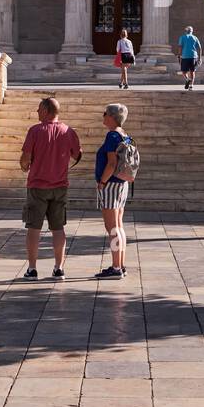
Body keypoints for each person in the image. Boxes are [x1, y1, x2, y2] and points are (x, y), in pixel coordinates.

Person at [19, 98, 81, 280]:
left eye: (39, 109)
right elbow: (77, 154)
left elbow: (26, 156)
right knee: (58, 228)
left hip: (37, 186)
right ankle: (58, 268)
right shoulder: (68, 131)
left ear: (46, 111)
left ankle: (32, 269)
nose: (37, 112)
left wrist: (24, 166)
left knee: (33, 228)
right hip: (60, 186)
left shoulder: (35, 131)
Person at [95, 103, 131, 278]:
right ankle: (120, 264)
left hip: (111, 184)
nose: (103, 116)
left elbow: (111, 163)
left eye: (104, 113)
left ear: (110, 116)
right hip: (122, 184)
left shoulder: (112, 136)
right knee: (119, 226)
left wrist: (102, 181)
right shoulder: (124, 135)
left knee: (112, 228)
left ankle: (116, 267)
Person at [177, 25, 202, 90]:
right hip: (193, 56)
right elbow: (200, 48)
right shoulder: (195, 37)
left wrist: (179, 56)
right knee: (192, 71)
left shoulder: (182, 37)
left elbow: (180, 47)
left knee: (183, 71)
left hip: (185, 56)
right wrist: (200, 58)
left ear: (186, 31)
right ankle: (191, 86)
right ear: (192, 31)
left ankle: (187, 79)